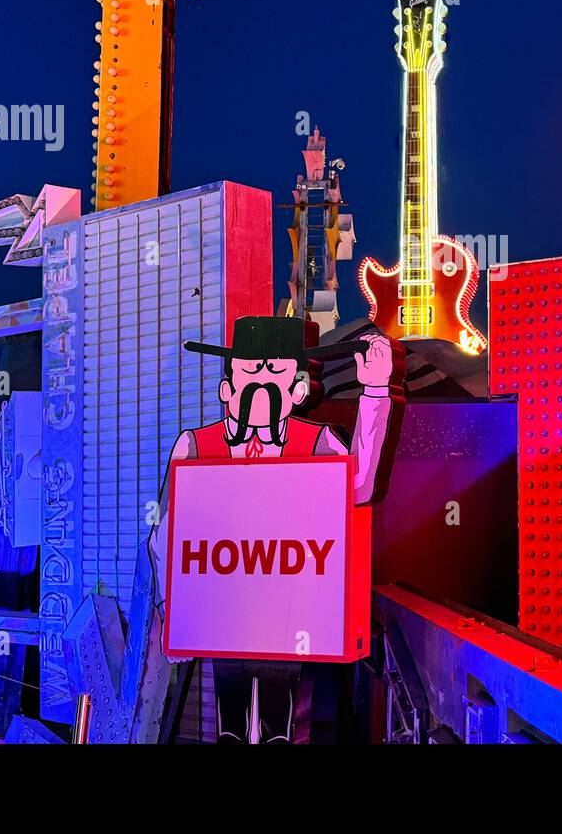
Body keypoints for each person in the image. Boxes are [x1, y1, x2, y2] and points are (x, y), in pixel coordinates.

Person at [148, 316, 404, 741]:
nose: (260, 383)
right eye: (250, 371)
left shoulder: (318, 440)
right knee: (229, 717)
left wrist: (376, 390)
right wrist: (171, 609)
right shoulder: (195, 446)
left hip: (289, 615)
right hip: (226, 611)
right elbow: (166, 534)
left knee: (282, 720)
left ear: (297, 390)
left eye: (274, 372)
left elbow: (358, 487)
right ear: (227, 389)